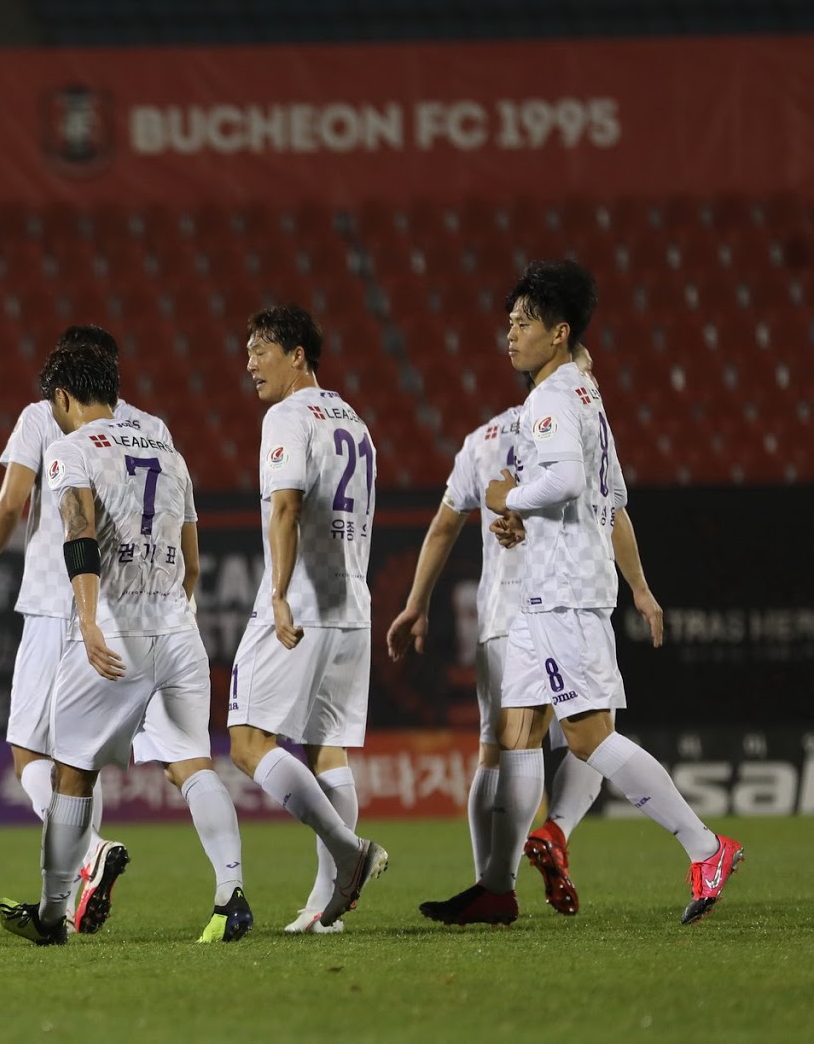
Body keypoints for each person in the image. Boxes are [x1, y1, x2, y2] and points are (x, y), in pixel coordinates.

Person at [419, 259, 742, 926]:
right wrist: (527, 515)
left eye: (526, 323)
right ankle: (499, 884)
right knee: (519, 729)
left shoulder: (550, 401)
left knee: (590, 735)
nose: (512, 334)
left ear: (559, 332)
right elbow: (611, 499)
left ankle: (706, 845)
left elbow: (565, 482)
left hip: (564, 593)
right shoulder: (586, 395)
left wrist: (510, 497)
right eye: (509, 321)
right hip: (546, 596)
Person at [387, 346, 665, 916]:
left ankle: (495, 882)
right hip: (563, 599)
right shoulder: (577, 427)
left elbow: (444, 527)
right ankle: (555, 832)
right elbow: (606, 513)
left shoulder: (482, 441)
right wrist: (637, 586)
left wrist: (417, 602)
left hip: (501, 616)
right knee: (592, 732)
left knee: (501, 751)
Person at [0, 344, 252, 946]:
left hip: (117, 628)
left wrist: (87, 621)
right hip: (178, 627)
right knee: (191, 762)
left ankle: (53, 914)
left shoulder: (70, 449)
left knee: (72, 773)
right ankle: (230, 894)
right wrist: (176, 609)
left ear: (62, 397)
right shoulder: (168, 449)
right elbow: (193, 557)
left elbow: (79, 538)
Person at [0, 324, 168, 934]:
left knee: (30, 749)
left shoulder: (43, 418)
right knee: (82, 757)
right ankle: (79, 886)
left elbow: (10, 501)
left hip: (58, 602)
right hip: (128, 612)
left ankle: (92, 849)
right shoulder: (147, 426)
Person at [225, 304, 388, 934]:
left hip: (305, 602)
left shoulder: (287, 416)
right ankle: (327, 911)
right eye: (247, 348)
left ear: (298, 355)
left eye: (261, 348)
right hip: (352, 606)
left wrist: (280, 594)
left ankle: (349, 854)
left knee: (247, 743)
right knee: (328, 752)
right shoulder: (355, 421)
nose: (250, 361)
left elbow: (286, 506)